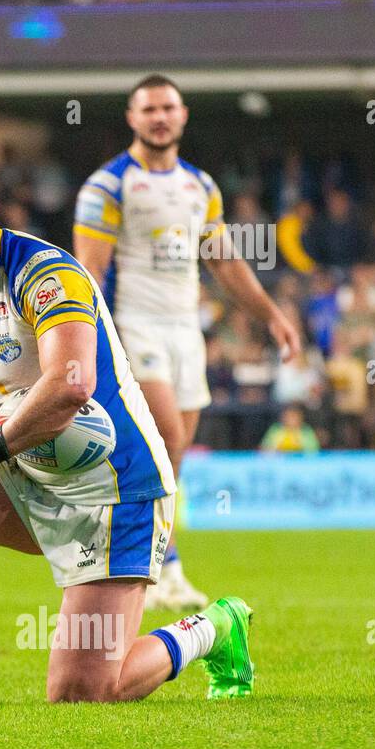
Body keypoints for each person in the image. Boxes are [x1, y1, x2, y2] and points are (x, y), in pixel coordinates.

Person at [0, 157, 255, 705]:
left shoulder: (43, 272)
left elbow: (70, 385)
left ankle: (215, 628)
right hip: (25, 481)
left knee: (81, 694)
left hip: (116, 493)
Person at [73, 74, 300, 611]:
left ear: (183, 115)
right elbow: (87, 271)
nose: (159, 117)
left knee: (173, 462)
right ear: (131, 118)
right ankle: (162, 568)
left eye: (167, 108)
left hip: (186, 332)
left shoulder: (200, 186)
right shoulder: (107, 186)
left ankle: (141, 559)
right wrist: (87, 340)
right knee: (166, 440)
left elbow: (223, 261)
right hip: (134, 327)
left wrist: (271, 316)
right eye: (148, 108)